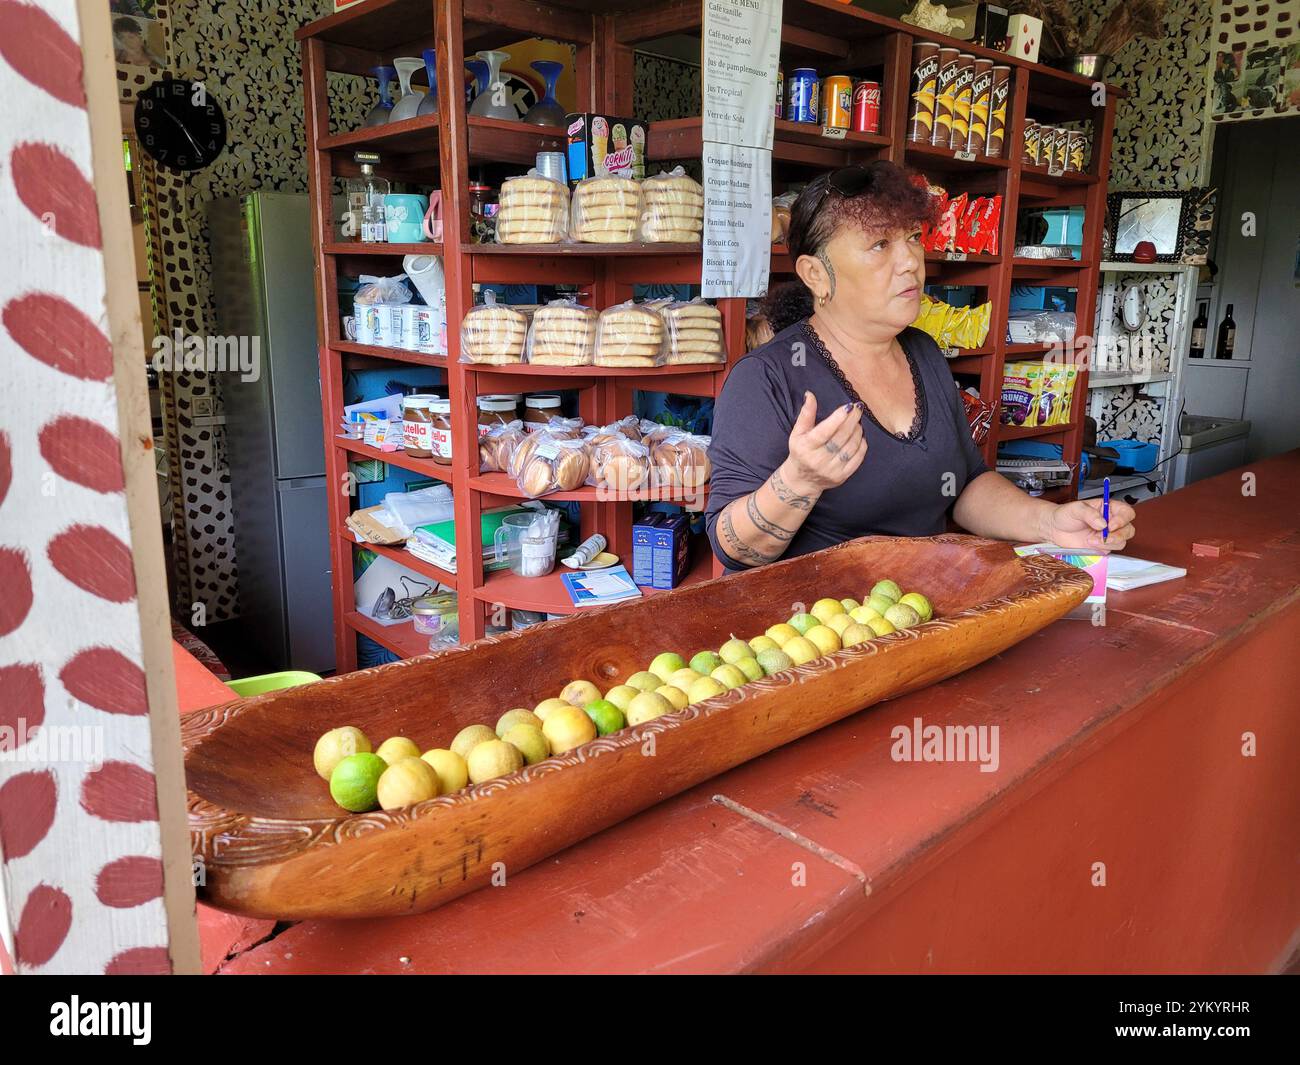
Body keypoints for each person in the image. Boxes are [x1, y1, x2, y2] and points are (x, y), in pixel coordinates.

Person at [705, 161, 1135, 572]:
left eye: (912, 237)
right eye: (879, 244)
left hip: (917, 612)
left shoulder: (923, 353)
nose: (911, 260)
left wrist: (1049, 523)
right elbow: (733, 550)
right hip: (814, 630)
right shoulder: (767, 377)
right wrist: (799, 481)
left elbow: (965, 483)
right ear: (816, 274)